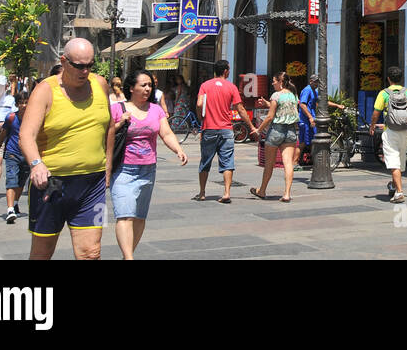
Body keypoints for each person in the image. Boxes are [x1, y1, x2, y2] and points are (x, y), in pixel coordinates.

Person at [19, 38, 115, 260]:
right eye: (79, 66)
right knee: (42, 253)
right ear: (64, 61)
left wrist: (107, 165)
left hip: (92, 184)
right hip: (52, 183)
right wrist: (36, 163)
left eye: (90, 65)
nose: (85, 71)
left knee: (91, 253)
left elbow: (109, 126)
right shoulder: (45, 90)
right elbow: (26, 134)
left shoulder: (100, 84)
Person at [110, 68, 188, 259]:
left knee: (139, 217)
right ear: (131, 88)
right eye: (143, 85)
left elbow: (166, 133)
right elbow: (105, 134)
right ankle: (129, 257)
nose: (147, 89)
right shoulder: (117, 109)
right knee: (124, 215)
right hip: (123, 169)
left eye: (149, 85)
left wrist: (178, 149)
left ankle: (127, 254)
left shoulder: (156, 110)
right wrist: (120, 123)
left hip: (148, 169)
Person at [195, 59, 257, 203]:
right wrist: (251, 126)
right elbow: (240, 109)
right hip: (226, 130)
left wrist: (201, 118)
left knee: (205, 161)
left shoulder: (205, 85)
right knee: (227, 161)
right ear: (225, 71)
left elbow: (199, 104)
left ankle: (202, 193)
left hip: (209, 129)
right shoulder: (231, 87)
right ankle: (227, 193)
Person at [250, 72, 315, 202]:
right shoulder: (293, 95)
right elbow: (284, 109)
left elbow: (270, 116)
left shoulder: (276, 95)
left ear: (280, 82)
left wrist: (259, 129)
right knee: (288, 163)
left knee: (269, 164)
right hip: (290, 131)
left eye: (274, 81)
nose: (272, 83)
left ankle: (262, 191)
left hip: (276, 131)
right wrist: (268, 103)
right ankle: (286, 194)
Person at [368, 66, 407, 204]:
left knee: (393, 162)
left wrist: (372, 125)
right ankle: (393, 185)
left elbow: (376, 113)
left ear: (388, 79)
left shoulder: (384, 93)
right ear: (401, 79)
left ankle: (399, 193)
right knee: (399, 160)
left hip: (390, 131)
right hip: (406, 131)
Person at [1, 92, 29, 223]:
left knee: (21, 182)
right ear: (17, 104)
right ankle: (10, 209)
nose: (24, 105)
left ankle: (15, 202)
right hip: (12, 153)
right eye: (21, 102)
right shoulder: (11, 117)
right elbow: (4, 133)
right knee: (12, 180)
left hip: (27, 154)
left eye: (26, 102)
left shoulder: (33, 118)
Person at [298, 74, 319, 166]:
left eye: (318, 82)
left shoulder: (315, 91)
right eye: (315, 82)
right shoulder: (307, 90)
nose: (317, 84)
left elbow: (320, 102)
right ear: (311, 81)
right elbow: (302, 104)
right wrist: (310, 117)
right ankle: (296, 161)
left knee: (311, 140)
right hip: (305, 120)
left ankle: (308, 159)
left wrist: (337, 105)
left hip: (311, 119)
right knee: (303, 142)